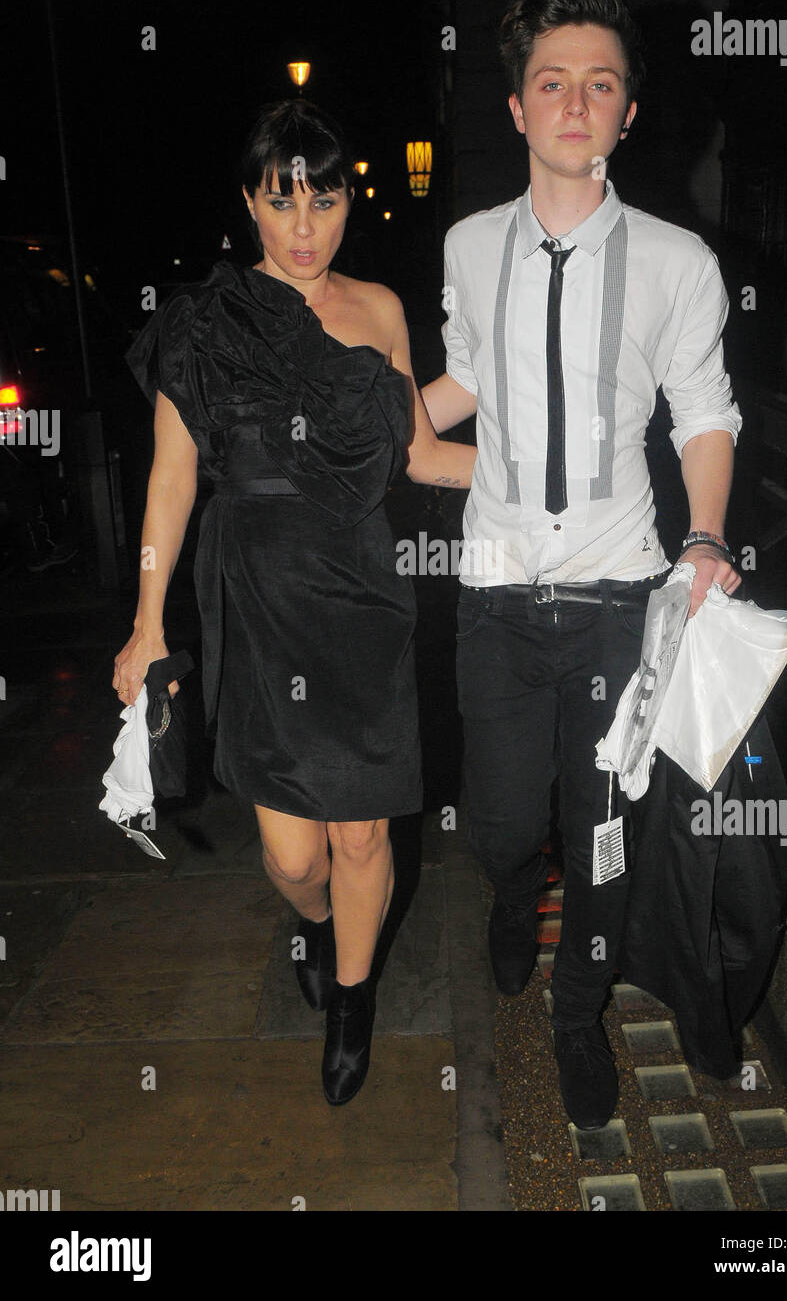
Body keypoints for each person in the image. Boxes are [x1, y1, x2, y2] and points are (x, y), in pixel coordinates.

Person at [422, 0, 742, 1129]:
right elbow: (468, 382)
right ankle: (513, 894)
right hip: (498, 599)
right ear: (515, 107)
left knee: (604, 836)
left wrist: (702, 534)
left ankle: (574, 1016)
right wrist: (366, 428)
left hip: (618, 600)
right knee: (505, 828)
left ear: (625, 113)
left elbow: (704, 412)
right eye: (550, 82)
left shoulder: (676, 263)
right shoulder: (464, 248)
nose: (573, 102)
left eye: (598, 84)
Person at [114, 99, 476, 1107]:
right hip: (258, 594)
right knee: (290, 851)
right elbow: (172, 481)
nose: (306, 223)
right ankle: (313, 925)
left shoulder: (381, 311)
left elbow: (416, 453)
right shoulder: (200, 323)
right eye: (283, 200)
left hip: (361, 592)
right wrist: (148, 621)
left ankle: (351, 1001)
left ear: (348, 201)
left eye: (324, 197)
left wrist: (538, 475)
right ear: (249, 204)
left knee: (362, 835)